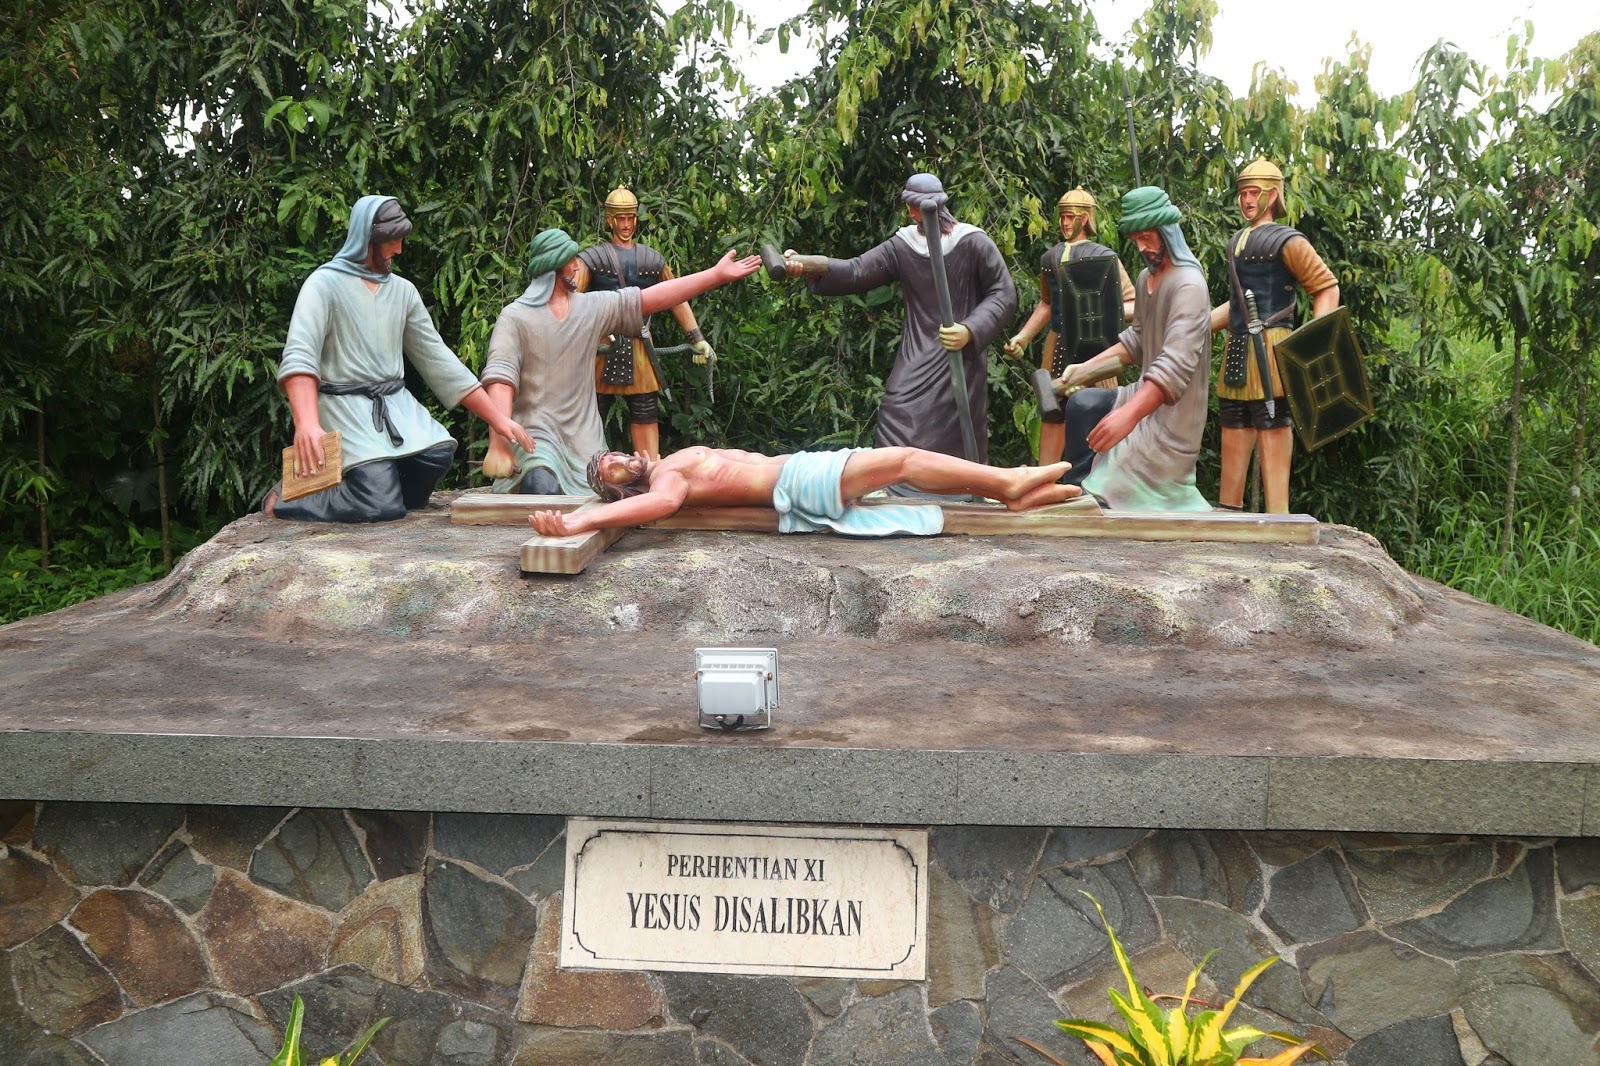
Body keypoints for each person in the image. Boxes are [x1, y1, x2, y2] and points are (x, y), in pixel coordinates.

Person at [267, 195, 535, 521]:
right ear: (369, 239)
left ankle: (379, 492)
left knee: (437, 454)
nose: (399, 249)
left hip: (394, 405)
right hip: (345, 407)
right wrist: (307, 422)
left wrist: (497, 418)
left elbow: (438, 359)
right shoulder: (323, 285)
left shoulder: (403, 291)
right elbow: (300, 356)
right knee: (380, 506)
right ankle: (287, 500)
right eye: (393, 241)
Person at [780, 174, 1016, 492]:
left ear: (928, 208)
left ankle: (961, 488)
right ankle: (897, 486)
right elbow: (856, 271)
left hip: (956, 352)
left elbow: (1003, 294)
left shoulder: (973, 242)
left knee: (954, 422)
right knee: (897, 407)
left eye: (912, 207)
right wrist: (806, 265)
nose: (908, 214)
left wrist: (970, 330)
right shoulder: (903, 245)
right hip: (918, 349)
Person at [479, 231, 760, 495]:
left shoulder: (590, 308)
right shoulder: (515, 317)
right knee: (541, 485)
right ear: (553, 266)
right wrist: (499, 444)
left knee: (631, 483)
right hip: (535, 440)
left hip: (585, 446)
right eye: (571, 261)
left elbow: (651, 297)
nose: (577, 266)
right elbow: (501, 380)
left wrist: (715, 275)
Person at [1049, 187, 1211, 512]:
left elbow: (1173, 368)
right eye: (1137, 239)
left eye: (1148, 237)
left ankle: (1098, 496)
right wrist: (1081, 371)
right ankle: (1080, 494)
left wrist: (1127, 416)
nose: (1142, 248)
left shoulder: (1189, 285)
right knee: (1082, 404)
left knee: (1111, 479)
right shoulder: (1144, 279)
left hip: (1172, 416)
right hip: (1142, 396)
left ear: (1167, 232)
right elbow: (1136, 342)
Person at [526, 446, 1080, 538]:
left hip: (802, 472)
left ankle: (1009, 488)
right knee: (904, 460)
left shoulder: (668, 462)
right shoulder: (667, 480)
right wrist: (578, 523)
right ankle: (1008, 483)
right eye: (617, 471)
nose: (626, 460)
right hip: (800, 483)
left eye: (618, 454)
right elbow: (660, 507)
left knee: (902, 467)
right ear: (625, 492)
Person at [1208, 158, 1340, 513]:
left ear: (1272, 194)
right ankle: (1228, 510)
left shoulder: (1287, 240)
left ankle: (1278, 513)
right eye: (1243, 193)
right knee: (1234, 418)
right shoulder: (1237, 240)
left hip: (1272, 347)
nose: (1247, 200)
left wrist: (1312, 341)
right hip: (1238, 347)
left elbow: (1326, 286)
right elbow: (1235, 303)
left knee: (1272, 419)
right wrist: (1199, 323)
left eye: (1254, 192)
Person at [576, 185, 717, 459]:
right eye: (620, 218)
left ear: (636, 219)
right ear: (609, 220)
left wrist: (697, 338)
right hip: (600, 347)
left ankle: (649, 470)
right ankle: (580, 470)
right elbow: (568, 302)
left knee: (644, 409)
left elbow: (677, 295)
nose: (626, 224)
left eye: (630, 217)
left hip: (640, 346)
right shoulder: (592, 259)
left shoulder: (651, 259)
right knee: (593, 409)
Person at [1003, 186, 1137, 465]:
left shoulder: (1104, 256)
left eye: (1071, 216)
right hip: (1058, 343)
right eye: (1062, 216)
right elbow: (1047, 303)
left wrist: (1104, 312)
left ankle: (1098, 480)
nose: (1065, 222)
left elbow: (1133, 304)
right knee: (1053, 410)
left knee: (1097, 407)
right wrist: (1024, 337)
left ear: (1085, 219)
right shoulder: (1050, 258)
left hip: (1094, 344)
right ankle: (1046, 478)